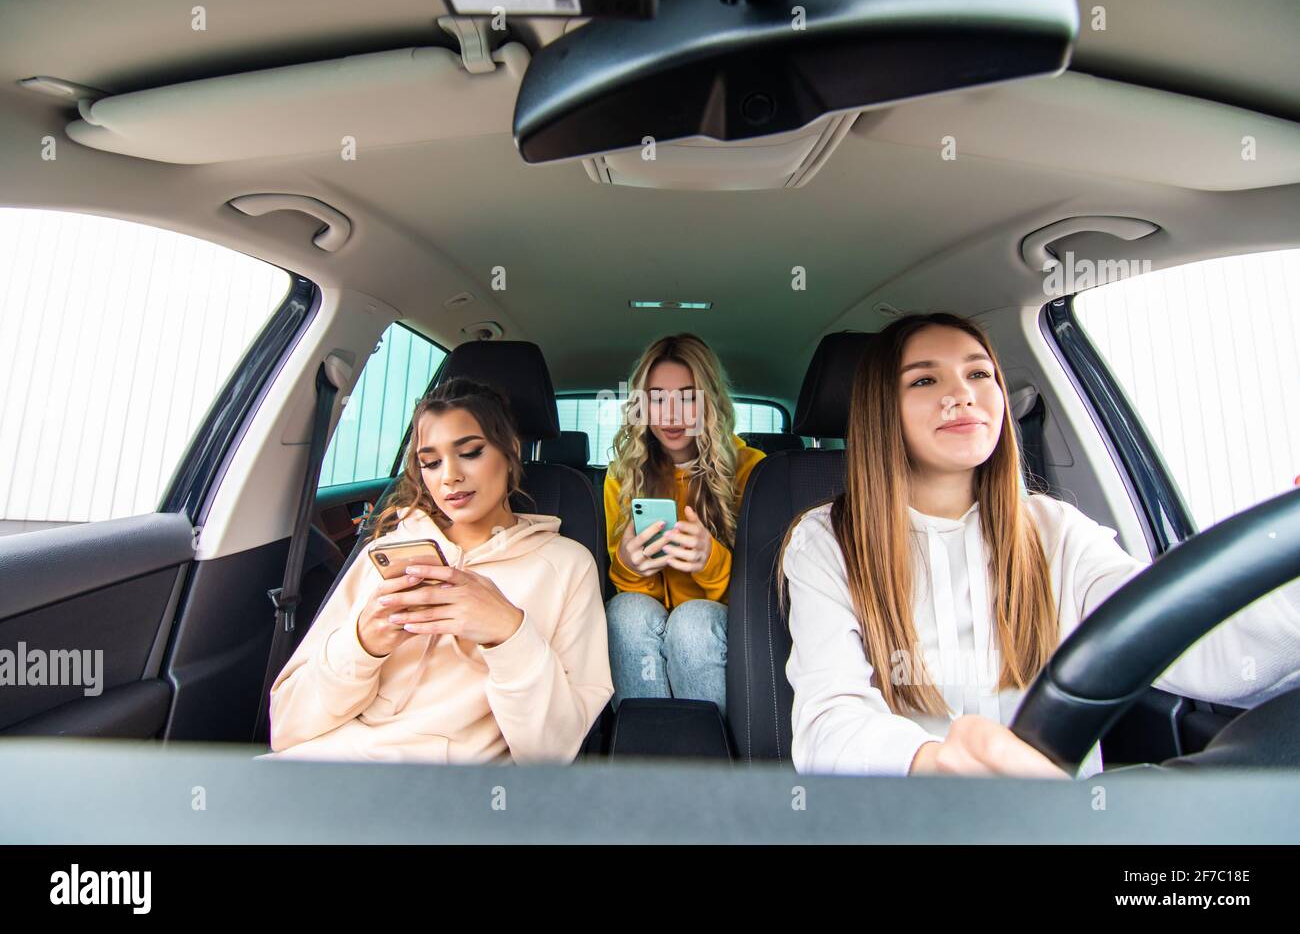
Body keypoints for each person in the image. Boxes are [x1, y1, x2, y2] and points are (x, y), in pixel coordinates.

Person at [780, 312, 1300, 778]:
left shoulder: (1056, 530)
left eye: (979, 373)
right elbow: (828, 718)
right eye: (924, 379)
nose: (961, 393)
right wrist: (934, 763)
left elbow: (1182, 636)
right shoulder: (827, 540)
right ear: (880, 410)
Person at [266, 377, 612, 764]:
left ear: (510, 450)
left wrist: (509, 634)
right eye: (430, 462)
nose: (449, 476)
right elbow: (285, 728)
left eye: (470, 452)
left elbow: (550, 754)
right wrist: (363, 643)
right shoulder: (383, 552)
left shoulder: (567, 565)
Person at [603, 334, 765, 712]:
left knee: (691, 622)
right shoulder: (622, 476)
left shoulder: (752, 470)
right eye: (657, 398)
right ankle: (644, 754)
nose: (671, 415)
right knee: (625, 611)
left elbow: (763, 597)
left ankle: (711, 761)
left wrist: (712, 561)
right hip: (649, 629)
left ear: (710, 401)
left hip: (716, 631)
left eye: (688, 397)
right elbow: (638, 605)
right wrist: (629, 566)